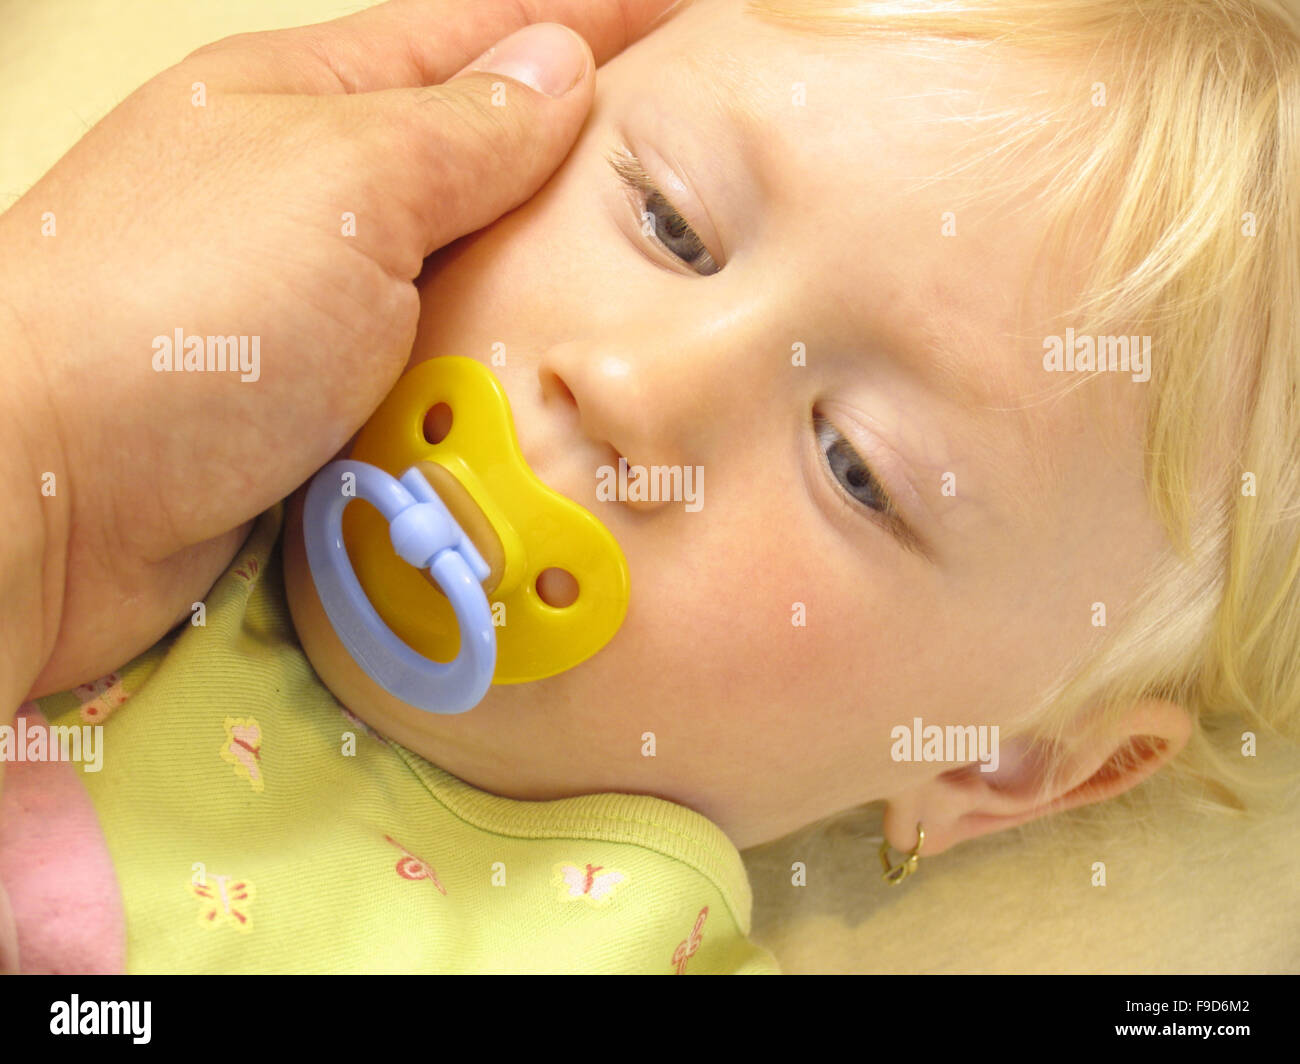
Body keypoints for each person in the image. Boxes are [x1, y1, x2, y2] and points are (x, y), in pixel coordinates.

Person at [3, 0, 1299, 974]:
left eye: (857, 468)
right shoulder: (115, 363)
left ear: (1005, 766)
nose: (631, 389)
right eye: (671, 222)